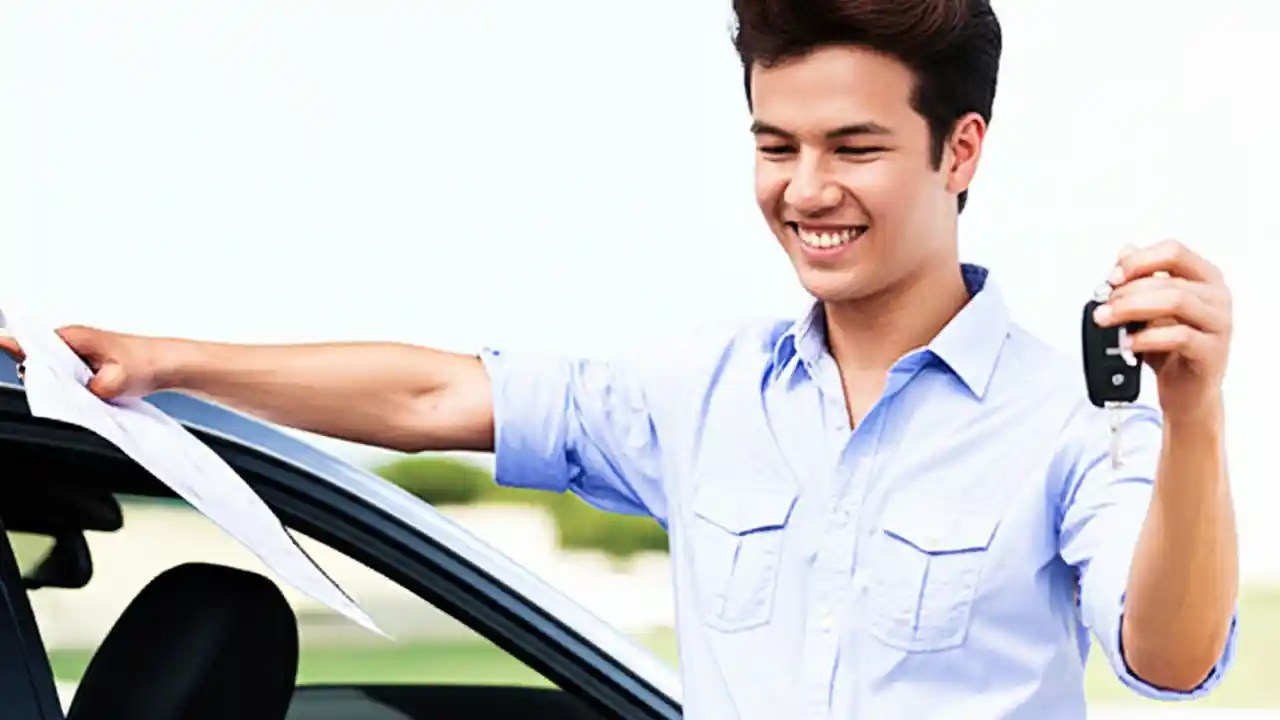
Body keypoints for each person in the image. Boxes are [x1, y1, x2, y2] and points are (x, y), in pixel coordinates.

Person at [2, 0, 1239, 717]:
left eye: (852, 147)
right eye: (774, 144)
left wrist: (1192, 421)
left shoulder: (1071, 421)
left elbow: (1168, 659)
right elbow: (438, 392)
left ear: (957, 151)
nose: (806, 190)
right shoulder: (699, 394)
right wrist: (170, 360)